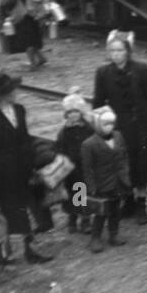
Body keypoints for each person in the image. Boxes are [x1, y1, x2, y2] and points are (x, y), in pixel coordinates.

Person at [0, 72, 53, 267]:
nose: (14, 93)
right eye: (10, 91)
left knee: (23, 211)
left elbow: (25, 139)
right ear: (0, 95)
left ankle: (26, 250)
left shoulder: (19, 110)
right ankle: (1, 254)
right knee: (3, 214)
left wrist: (32, 165)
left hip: (21, 170)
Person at [93, 31, 147, 225]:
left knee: (141, 165)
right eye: (112, 50)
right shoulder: (103, 73)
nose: (116, 54)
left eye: (120, 50)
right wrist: (100, 128)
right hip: (118, 127)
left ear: (127, 51)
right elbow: (98, 102)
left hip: (140, 125)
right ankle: (129, 201)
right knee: (122, 165)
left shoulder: (141, 70)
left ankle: (141, 202)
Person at [80, 108, 131, 252]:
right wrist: (91, 188)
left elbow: (124, 156)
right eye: (105, 124)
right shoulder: (88, 144)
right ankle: (95, 238)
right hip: (102, 184)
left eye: (111, 123)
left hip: (118, 182)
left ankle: (113, 235)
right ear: (98, 125)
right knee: (101, 213)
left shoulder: (118, 136)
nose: (109, 127)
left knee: (115, 210)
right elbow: (87, 169)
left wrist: (125, 174)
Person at [56, 92, 95, 235]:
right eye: (70, 112)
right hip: (70, 168)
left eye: (76, 112)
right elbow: (60, 148)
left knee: (82, 194)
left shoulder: (88, 128)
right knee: (71, 194)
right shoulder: (64, 131)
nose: (73, 115)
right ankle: (72, 218)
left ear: (81, 113)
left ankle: (85, 220)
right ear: (66, 114)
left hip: (84, 167)